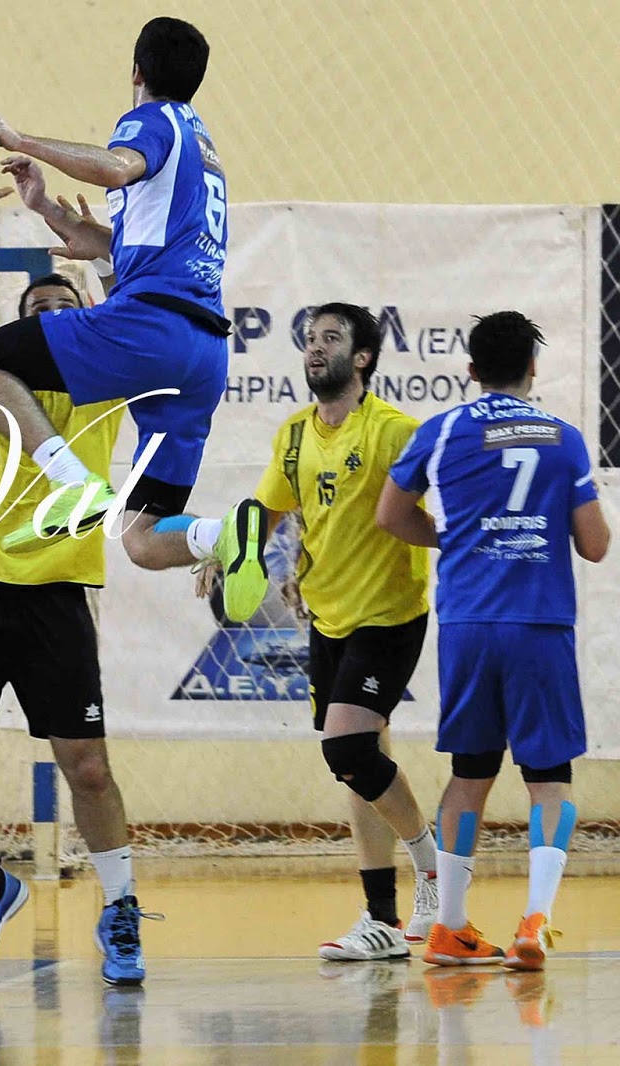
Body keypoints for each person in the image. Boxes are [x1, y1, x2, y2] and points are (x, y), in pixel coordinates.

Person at [0, 167, 160, 985]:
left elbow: (148, 306)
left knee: (85, 765)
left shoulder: (107, 374)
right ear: (14, 329)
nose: (51, 313)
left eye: (66, 305)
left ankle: (119, 910)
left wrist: (105, 250)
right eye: (36, 308)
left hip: (54, 590)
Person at [0, 17, 272, 625]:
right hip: (203, 352)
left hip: (149, 329)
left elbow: (117, 167)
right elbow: (133, 248)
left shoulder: (153, 120)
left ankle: (70, 481)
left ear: (137, 73)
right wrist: (49, 209)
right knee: (142, 541)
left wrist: (19, 139)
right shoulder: (202, 148)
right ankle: (226, 532)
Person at [205, 304, 439, 961]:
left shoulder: (395, 431)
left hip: (389, 614)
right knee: (360, 767)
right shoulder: (293, 434)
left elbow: (432, 508)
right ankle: (383, 923)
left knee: (348, 750)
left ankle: (430, 868)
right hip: (327, 614)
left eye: (330, 338)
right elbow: (270, 514)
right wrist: (231, 558)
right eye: (309, 338)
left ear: (361, 357)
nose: (315, 348)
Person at [379, 311, 609, 971]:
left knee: (470, 773)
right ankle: (535, 922)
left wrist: (453, 538)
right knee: (549, 779)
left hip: (469, 625)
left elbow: (391, 514)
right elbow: (594, 545)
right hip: (540, 627)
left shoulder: (444, 428)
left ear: (472, 371)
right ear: (533, 369)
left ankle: (449, 927)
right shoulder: (563, 438)